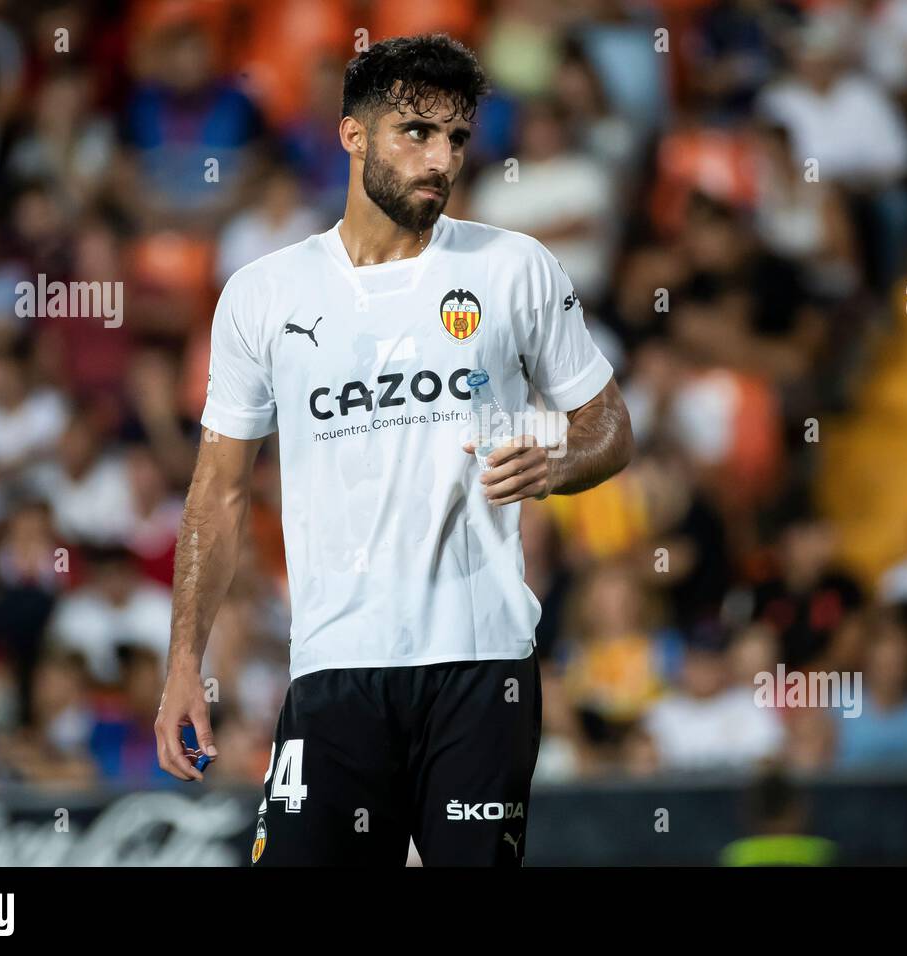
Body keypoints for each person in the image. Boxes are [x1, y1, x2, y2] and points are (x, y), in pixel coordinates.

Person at [155, 34, 633, 867]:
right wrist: (183, 665)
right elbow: (219, 493)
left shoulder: (515, 269)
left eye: (455, 138)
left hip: (480, 666)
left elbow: (609, 427)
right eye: (416, 132)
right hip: (334, 667)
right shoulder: (262, 295)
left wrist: (557, 467)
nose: (440, 158)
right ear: (352, 134)